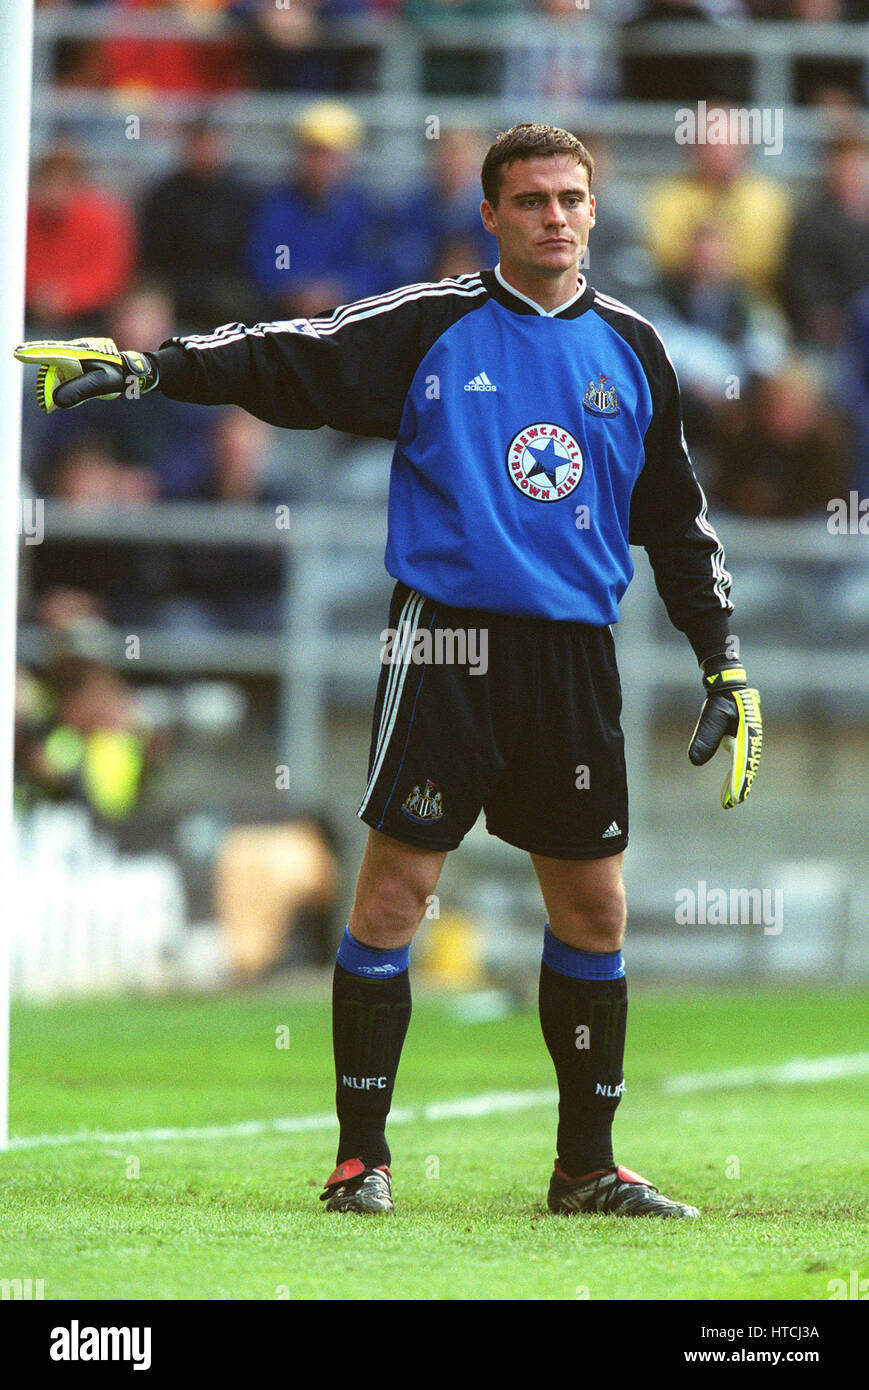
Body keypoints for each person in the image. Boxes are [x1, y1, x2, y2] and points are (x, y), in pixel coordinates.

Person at [15, 123, 763, 1221]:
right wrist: (151, 367)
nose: (554, 217)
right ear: (490, 215)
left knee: (594, 909)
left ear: (594, 211)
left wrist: (722, 659)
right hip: (445, 641)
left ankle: (585, 1168)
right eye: (530, 200)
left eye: (569, 198)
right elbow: (288, 351)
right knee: (395, 894)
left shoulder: (635, 348)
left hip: (573, 653)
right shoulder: (429, 326)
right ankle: (358, 1159)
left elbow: (677, 524)